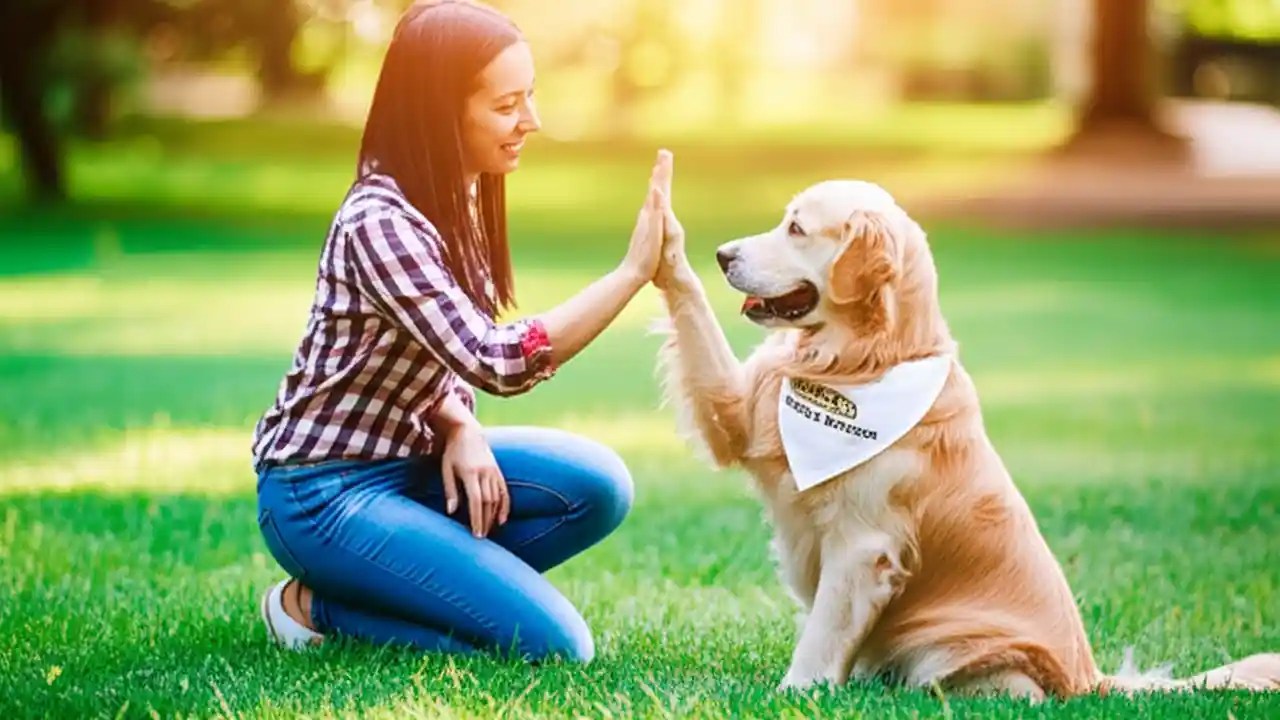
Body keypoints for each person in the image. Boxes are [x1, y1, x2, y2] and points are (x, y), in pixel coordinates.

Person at [252, 0, 675, 663]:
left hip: (407, 465)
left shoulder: (453, 199)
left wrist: (459, 424)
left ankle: (424, 586)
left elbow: (434, 348)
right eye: (507, 105)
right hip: (323, 491)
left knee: (597, 486)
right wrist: (630, 274)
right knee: (556, 648)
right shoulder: (381, 222)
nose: (530, 121)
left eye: (529, 97)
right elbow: (493, 359)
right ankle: (315, 605)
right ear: (441, 115)